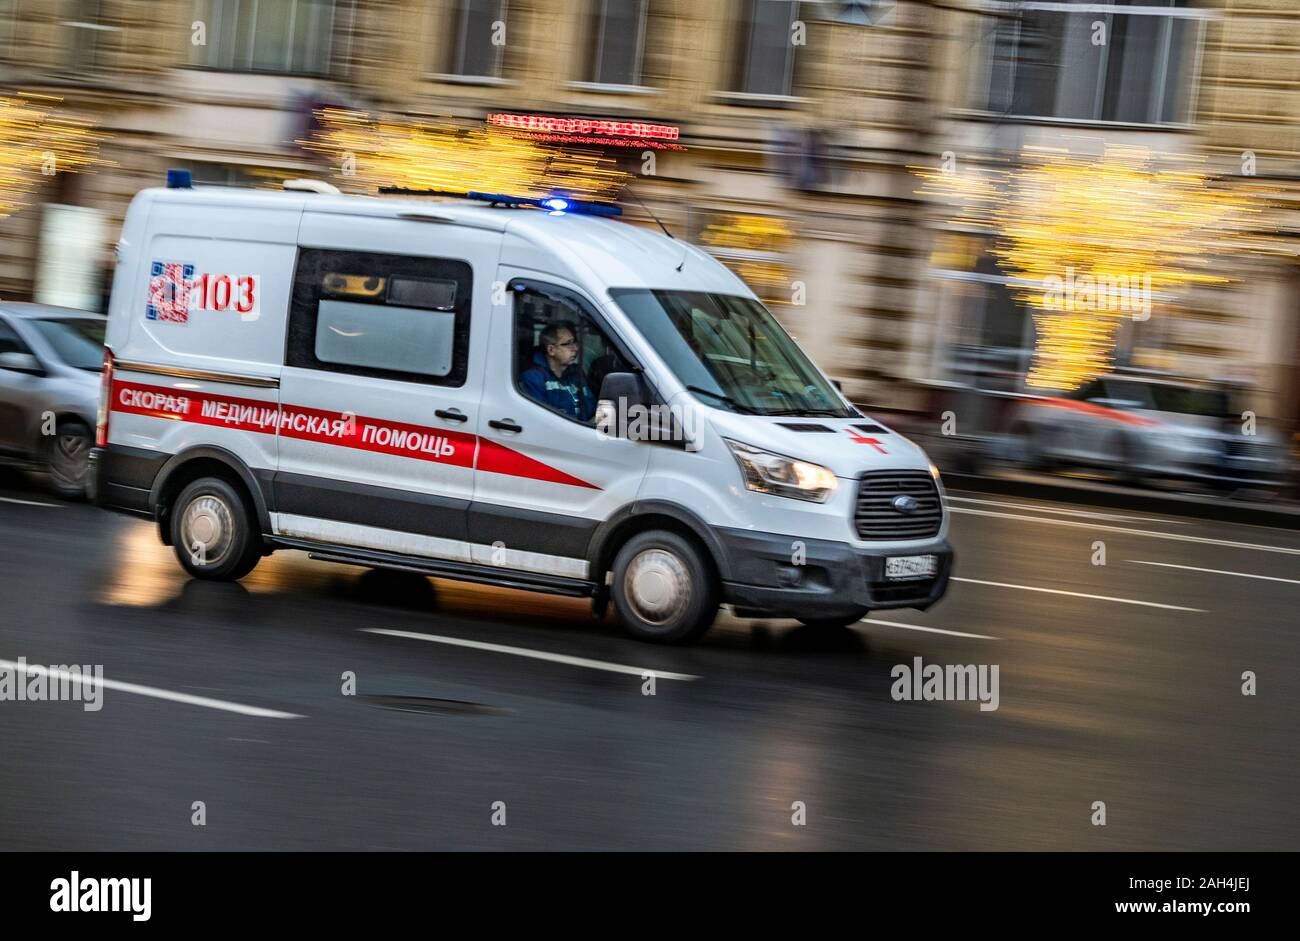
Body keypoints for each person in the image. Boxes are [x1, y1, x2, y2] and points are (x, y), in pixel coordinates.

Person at [521, 321, 595, 421]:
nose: (575, 348)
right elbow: (541, 419)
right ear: (551, 350)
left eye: (574, 342)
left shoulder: (576, 373)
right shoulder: (534, 377)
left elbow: (592, 408)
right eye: (568, 344)